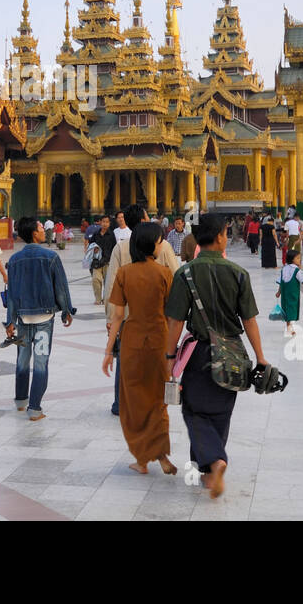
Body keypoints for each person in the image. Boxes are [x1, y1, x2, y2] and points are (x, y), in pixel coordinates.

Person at [164, 213, 267, 498]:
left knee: (194, 410)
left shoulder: (185, 274)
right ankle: (210, 470)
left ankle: (215, 461)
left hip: (199, 352)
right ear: (221, 236)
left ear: (197, 239)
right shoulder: (238, 273)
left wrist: (170, 356)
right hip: (233, 353)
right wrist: (260, 357)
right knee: (221, 411)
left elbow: (175, 321)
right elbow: (250, 320)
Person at [102, 221, 177, 476]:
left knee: (133, 403)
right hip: (159, 342)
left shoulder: (124, 273)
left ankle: (142, 460)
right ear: (149, 244)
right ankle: (162, 454)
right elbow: (173, 316)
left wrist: (108, 351)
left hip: (132, 344)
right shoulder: (165, 274)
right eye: (158, 241)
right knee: (158, 401)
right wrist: (172, 352)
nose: (160, 245)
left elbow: (117, 316)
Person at [105, 204, 183, 415]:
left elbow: (110, 285)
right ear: (142, 222)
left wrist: (111, 318)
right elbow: (176, 279)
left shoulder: (120, 248)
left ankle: (121, 404)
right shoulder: (163, 246)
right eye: (148, 218)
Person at [4, 216, 75, 421]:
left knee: (22, 361)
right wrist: (67, 310)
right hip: (44, 318)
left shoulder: (15, 260)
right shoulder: (50, 257)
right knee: (41, 363)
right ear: (34, 233)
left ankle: (20, 401)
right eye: (41, 228)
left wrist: (10, 321)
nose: (44, 231)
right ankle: (34, 409)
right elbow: (60, 288)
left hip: (23, 319)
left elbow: (12, 294)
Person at [276, 248, 303, 337]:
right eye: (298, 258)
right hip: (293, 294)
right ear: (292, 260)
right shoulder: (297, 271)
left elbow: (281, 282)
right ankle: (290, 328)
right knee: (291, 310)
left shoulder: (284, 269)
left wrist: (279, 292)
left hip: (285, 294)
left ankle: (288, 326)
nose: (300, 260)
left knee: (286, 309)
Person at [89, 214, 117, 305]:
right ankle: (98, 298)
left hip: (108, 261)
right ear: (100, 222)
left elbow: (114, 248)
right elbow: (91, 245)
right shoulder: (96, 234)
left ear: (109, 223)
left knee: (107, 282)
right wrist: (94, 249)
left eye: (107, 222)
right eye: (103, 222)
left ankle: (106, 299)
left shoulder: (112, 235)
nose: (105, 224)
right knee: (95, 279)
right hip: (96, 261)